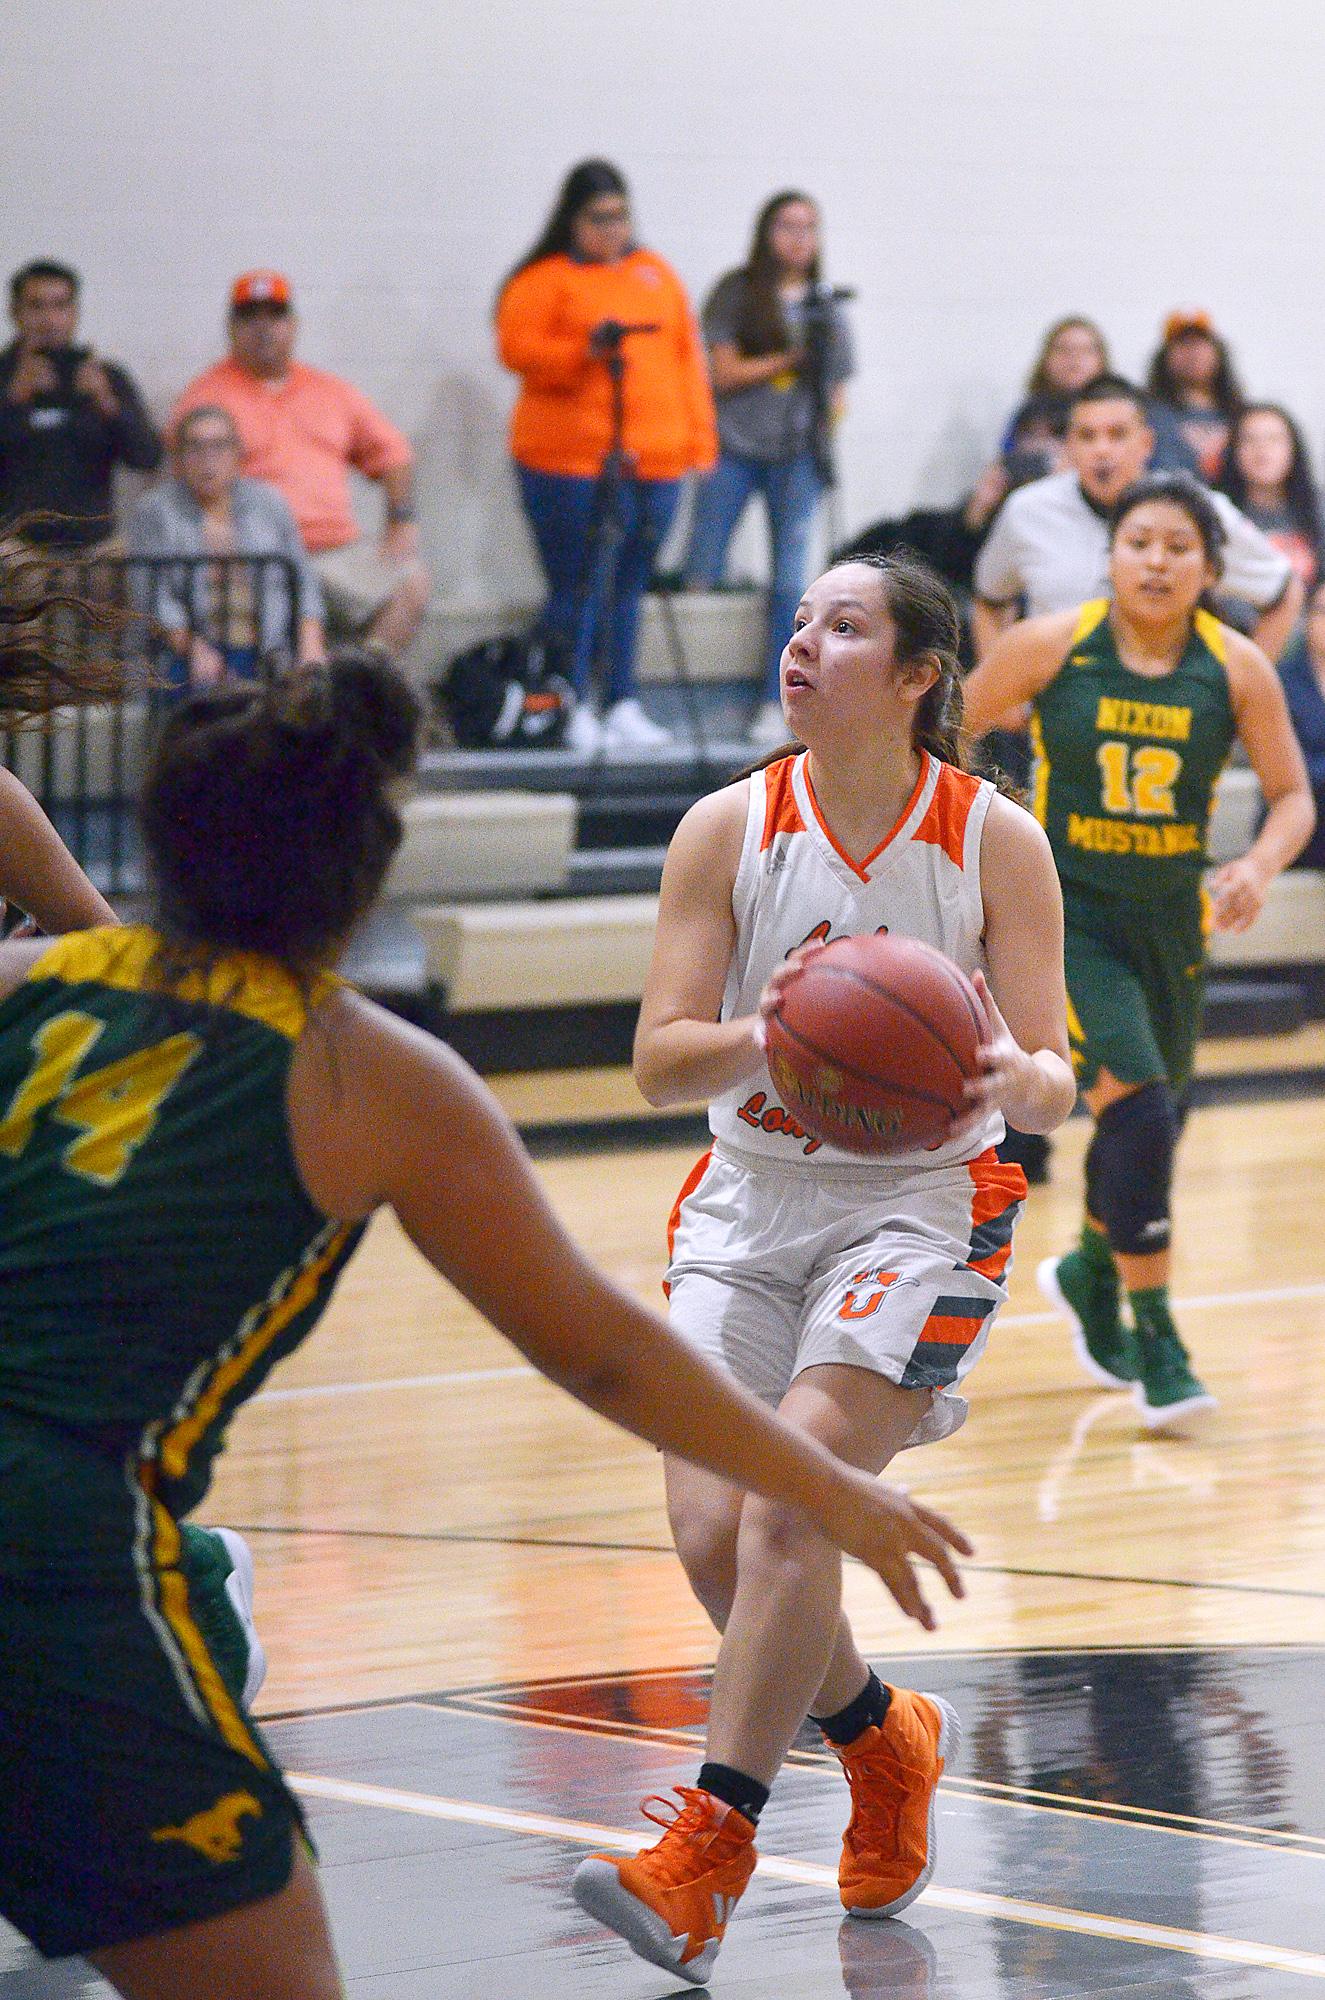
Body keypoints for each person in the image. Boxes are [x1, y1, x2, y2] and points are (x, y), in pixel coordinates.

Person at [0, 628, 977, 1998]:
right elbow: (598, 1352)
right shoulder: (368, 1075)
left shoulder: (27, 985)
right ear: (366, 870)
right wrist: (831, 1489)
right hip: (55, 1563)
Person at [571, 553, 1075, 1984]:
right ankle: (882, 1738)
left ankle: (705, 1851)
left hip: (922, 1203)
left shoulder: (991, 840)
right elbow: (661, 1060)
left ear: (919, 676)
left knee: (795, 1514)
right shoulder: (727, 827)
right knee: (714, 1543)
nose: (802, 646)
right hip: (746, 1196)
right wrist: (780, 1030)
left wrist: (1015, 1079)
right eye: (799, 623)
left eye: (841, 629)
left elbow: (1049, 1072)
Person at [963, 473, 1313, 1428]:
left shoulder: (1234, 666)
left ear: (1206, 567)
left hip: (1172, 926)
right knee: (1144, 1111)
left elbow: (1292, 796)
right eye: (1138, 542)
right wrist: (975, 851)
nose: (1156, 561)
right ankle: (1158, 1335)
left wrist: (1255, 864)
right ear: (1109, 556)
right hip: (1064, 919)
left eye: (1177, 547)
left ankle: (1085, 1268)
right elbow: (948, 737)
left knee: (1151, 1124)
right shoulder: (1049, 646)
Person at [495, 160, 718, 754]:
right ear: (573, 219)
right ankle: (571, 701)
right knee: (579, 585)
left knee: (630, 586)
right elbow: (517, 352)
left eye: (621, 215)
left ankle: (622, 700)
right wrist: (583, 351)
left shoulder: (655, 274)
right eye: (600, 217)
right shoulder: (542, 280)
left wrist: (699, 439)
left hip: (655, 462)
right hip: (568, 465)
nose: (613, 228)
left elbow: (685, 360)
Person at [172, 272, 429, 660]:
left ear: (292, 325)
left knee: (412, 584)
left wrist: (401, 521)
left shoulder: (331, 392)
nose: (263, 330)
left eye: (274, 317)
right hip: (255, 557)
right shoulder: (206, 396)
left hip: (332, 551)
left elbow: (393, 455)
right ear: (230, 328)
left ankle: (361, 680)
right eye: (249, 318)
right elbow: (185, 477)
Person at [972, 376, 1302, 667]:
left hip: (1173, 718)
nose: (1102, 450)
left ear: (1146, 443)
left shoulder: (1199, 511)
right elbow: (988, 601)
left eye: (1117, 435)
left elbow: (1286, 591)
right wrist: (1005, 697)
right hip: (1061, 718)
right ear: (1069, 445)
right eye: (1087, 436)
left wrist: (1236, 696)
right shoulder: (1028, 510)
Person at [682, 191, 854, 747]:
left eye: (809, 227)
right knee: (703, 562)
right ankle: (680, 697)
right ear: (765, 231)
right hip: (733, 445)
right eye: (786, 225)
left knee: (790, 579)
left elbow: (837, 387)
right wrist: (789, 360)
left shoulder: (827, 306)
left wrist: (824, 425)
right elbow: (722, 373)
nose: (798, 238)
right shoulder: (737, 293)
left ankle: (772, 699)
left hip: (798, 452)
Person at [127, 405, 325, 687]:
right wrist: (194, 649)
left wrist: (310, 646)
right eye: (195, 447)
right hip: (185, 654)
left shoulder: (268, 503)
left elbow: (302, 579)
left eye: (220, 446)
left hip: (267, 649)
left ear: (238, 454)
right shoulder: (156, 511)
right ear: (179, 458)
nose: (208, 459)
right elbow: (152, 595)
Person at [0, 259, 161, 552]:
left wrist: (108, 405)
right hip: (13, 548)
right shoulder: (5, 378)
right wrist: (13, 401)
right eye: (37, 306)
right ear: (15, 312)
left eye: (60, 306)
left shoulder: (106, 377)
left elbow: (147, 458)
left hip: (94, 547)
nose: (49, 319)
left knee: (134, 563)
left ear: (75, 313)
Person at [1219, 403, 1325, 593]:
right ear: (1233, 451)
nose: (1262, 448)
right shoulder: (1219, 513)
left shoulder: (1319, 509)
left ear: (1294, 449)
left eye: (1274, 439)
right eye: (1249, 439)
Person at [1144, 311, 1245, 483]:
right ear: (1165, 356)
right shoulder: (1148, 415)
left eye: (1200, 343)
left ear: (1217, 351)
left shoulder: (1243, 417)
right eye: (1182, 344)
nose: (1192, 352)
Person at [997, 314, 1109, 457]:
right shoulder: (1029, 412)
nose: (1075, 359)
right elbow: (1006, 461)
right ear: (1047, 359)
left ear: (1101, 359)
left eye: (1085, 350)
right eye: (1064, 350)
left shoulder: (1122, 409)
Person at [1273, 578, 1325, 867]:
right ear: (1308, 618)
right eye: (1323, 612)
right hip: (1300, 835)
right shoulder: (1280, 682)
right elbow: (1289, 769)